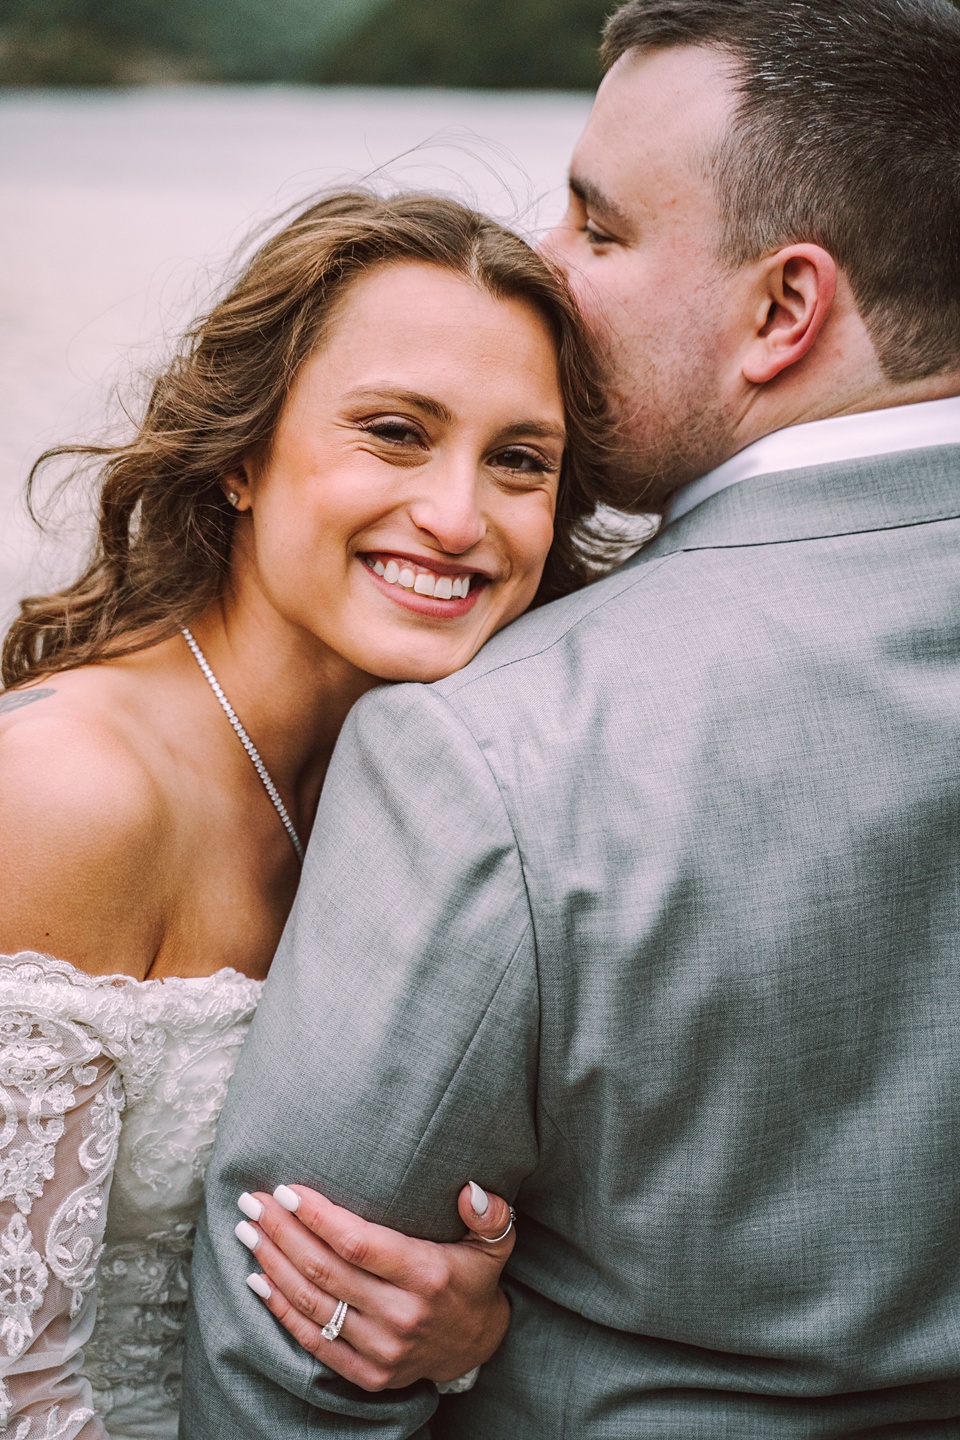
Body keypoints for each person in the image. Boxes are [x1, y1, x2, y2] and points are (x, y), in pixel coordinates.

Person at [182, 0, 960, 1435]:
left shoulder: (501, 743)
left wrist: (489, 1331)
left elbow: (287, 1366)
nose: (541, 261)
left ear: (784, 311)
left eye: (599, 230)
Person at [0, 191, 622, 1438]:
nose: (459, 518)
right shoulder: (75, 791)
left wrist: (467, 1332)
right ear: (240, 454)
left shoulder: (427, 786)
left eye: (519, 460)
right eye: (395, 433)